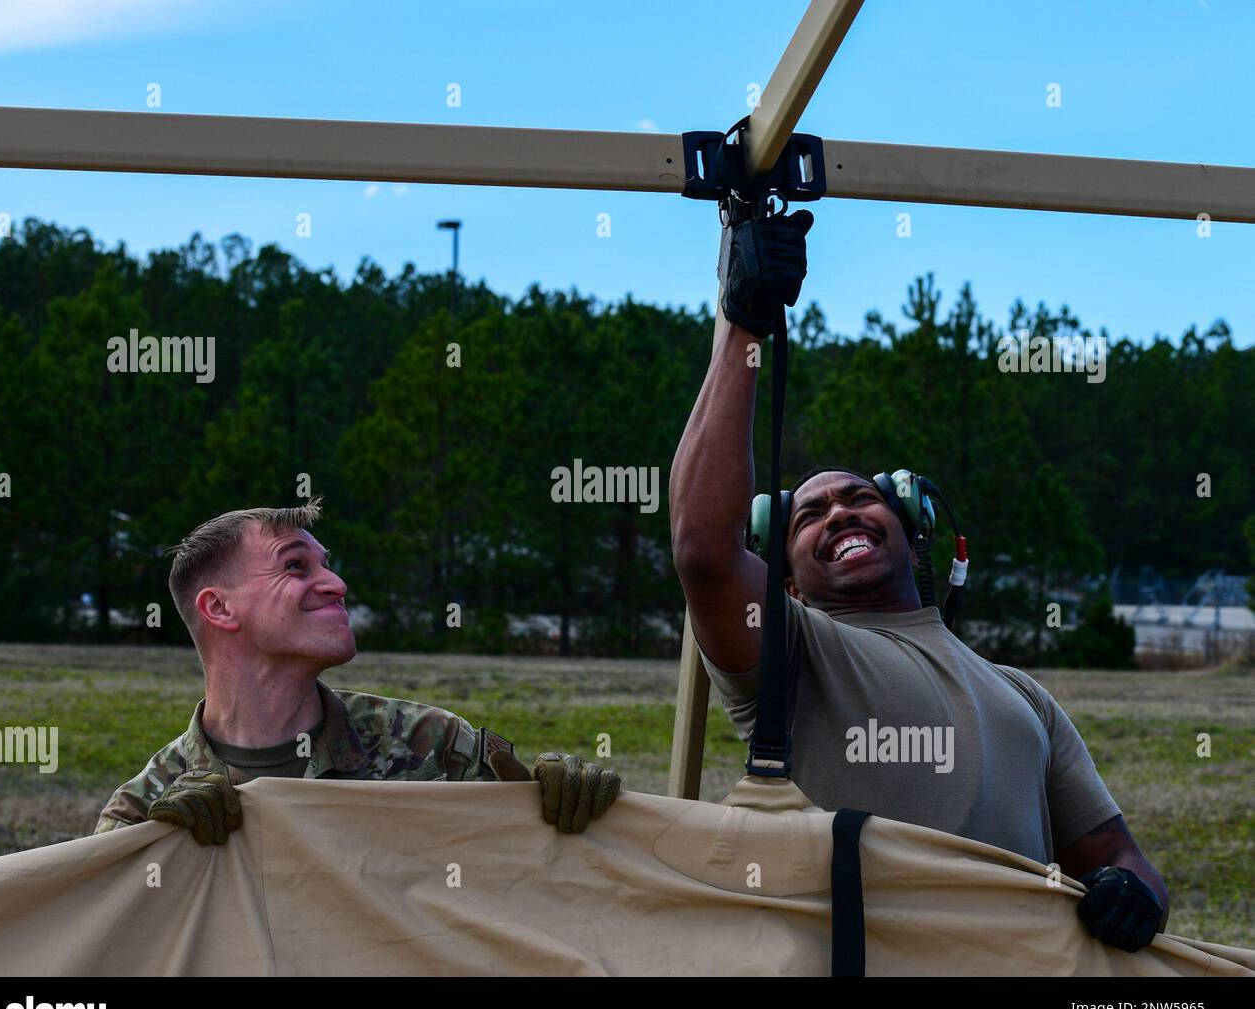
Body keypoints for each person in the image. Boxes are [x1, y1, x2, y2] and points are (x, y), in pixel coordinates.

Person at [667, 207, 1166, 953]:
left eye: (860, 497)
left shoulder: (1025, 696)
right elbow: (704, 550)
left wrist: (1136, 893)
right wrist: (742, 325)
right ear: (788, 581)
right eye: (810, 516)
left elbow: (1118, 856)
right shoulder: (797, 651)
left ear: (912, 526)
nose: (839, 512)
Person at [94, 500, 619, 842]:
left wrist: (565, 809)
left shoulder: (431, 746)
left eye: (327, 564)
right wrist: (158, 857)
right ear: (220, 609)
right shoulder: (146, 810)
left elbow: (527, 883)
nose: (336, 583)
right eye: (296, 566)